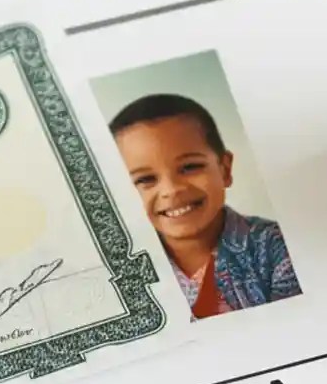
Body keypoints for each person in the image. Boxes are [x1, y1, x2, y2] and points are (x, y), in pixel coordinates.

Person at [109, 93, 302, 319]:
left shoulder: (278, 248)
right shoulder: (121, 273)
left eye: (189, 167)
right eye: (145, 179)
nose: (171, 189)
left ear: (225, 169)